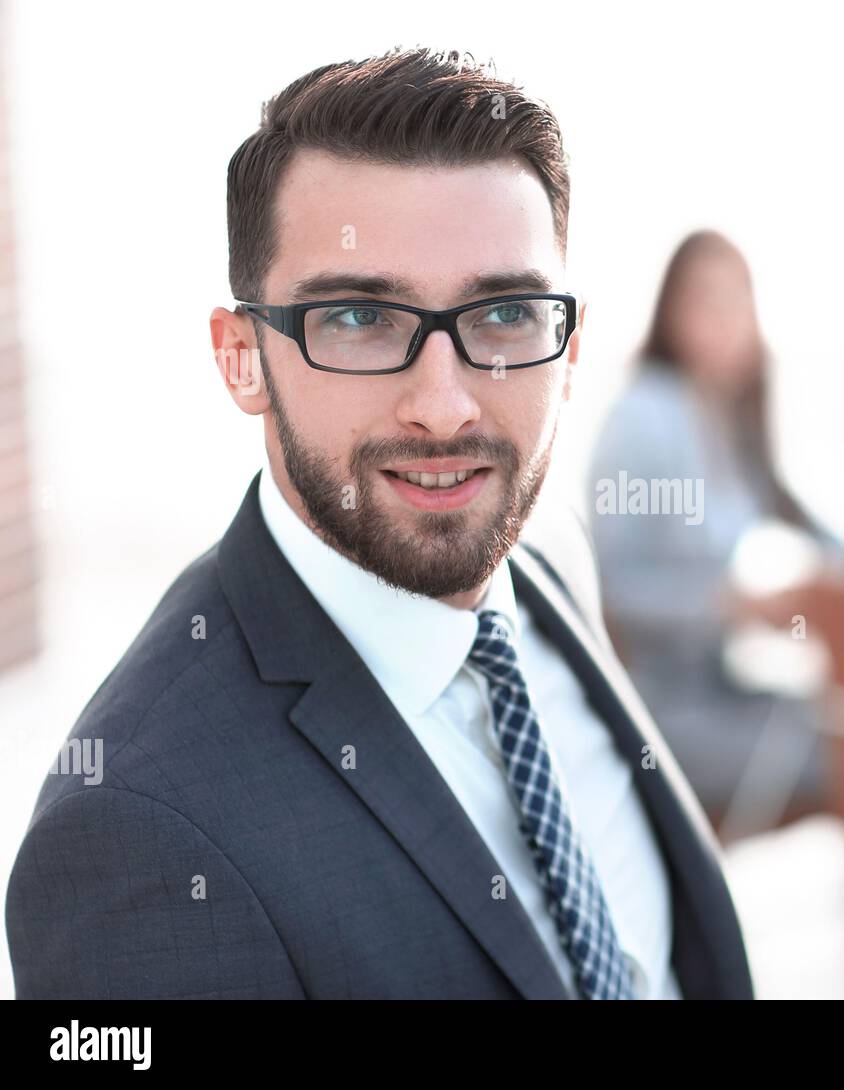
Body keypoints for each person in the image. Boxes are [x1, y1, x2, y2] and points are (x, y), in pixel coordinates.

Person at [5, 49, 753, 1001]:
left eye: (506, 313)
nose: (443, 407)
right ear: (243, 360)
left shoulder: (542, 553)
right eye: (359, 317)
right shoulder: (134, 836)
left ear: (570, 348)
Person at [586, 230, 830, 838]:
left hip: (723, 687)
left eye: (738, 300)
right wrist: (732, 606)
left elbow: (812, 526)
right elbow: (608, 591)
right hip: (661, 713)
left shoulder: (728, 419)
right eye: (706, 300)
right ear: (670, 312)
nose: (725, 321)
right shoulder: (645, 414)